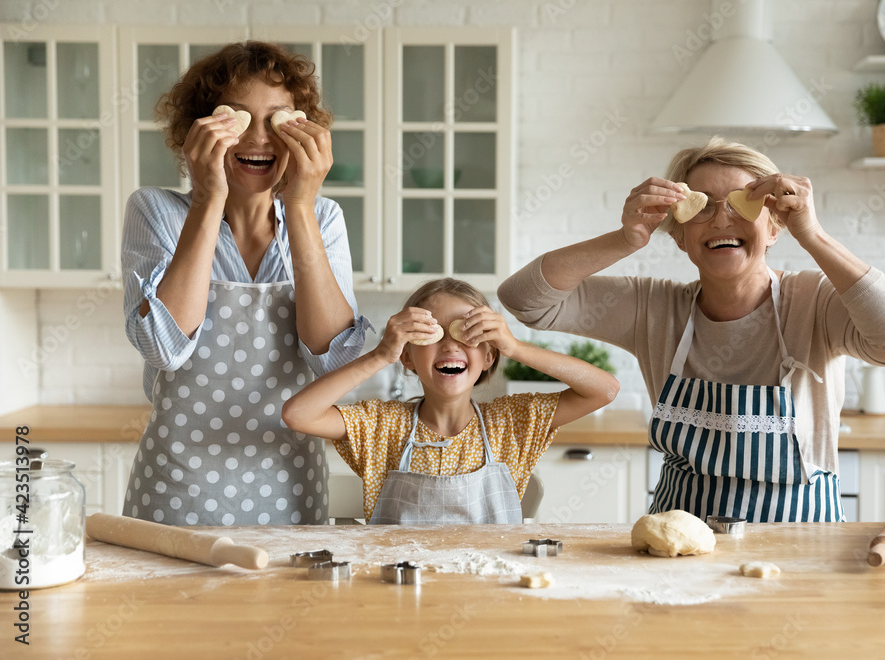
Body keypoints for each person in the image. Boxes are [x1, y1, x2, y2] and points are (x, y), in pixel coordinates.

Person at [498, 137, 885, 523]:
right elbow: (524, 300)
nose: (721, 220)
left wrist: (812, 233)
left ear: (775, 226)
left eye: (743, 203)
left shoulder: (814, 300)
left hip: (802, 543)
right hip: (677, 543)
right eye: (702, 206)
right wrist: (624, 239)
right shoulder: (653, 307)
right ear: (681, 237)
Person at [121, 41, 370, 526]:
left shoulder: (323, 217)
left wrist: (299, 206)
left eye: (277, 120)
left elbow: (334, 360)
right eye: (236, 117)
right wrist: (207, 197)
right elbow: (165, 348)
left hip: (289, 479)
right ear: (198, 129)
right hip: (176, 487)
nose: (259, 138)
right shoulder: (156, 212)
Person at [281, 278, 619, 524]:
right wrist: (381, 354)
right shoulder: (382, 426)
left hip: (488, 597)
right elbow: (298, 414)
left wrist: (515, 347)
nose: (450, 345)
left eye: (467, 333)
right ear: (408, 358)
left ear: (489, 356)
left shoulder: (511, 422)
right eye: (431, 333)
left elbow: (604, 389)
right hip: (402, 594)